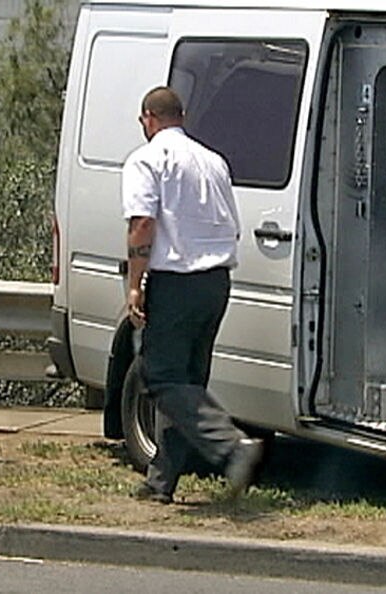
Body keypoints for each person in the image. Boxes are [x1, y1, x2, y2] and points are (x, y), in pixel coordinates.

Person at [121, 86, 262, 504]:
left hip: (177, 281)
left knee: (161, 378)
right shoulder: (213, 161)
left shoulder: (147, 160)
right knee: (187, 384)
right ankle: (160, 482)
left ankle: (232, 446)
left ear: (149, 118)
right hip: (215, 282)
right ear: (181, 117)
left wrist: (134, 284)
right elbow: (232, 225)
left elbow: (143, 225)